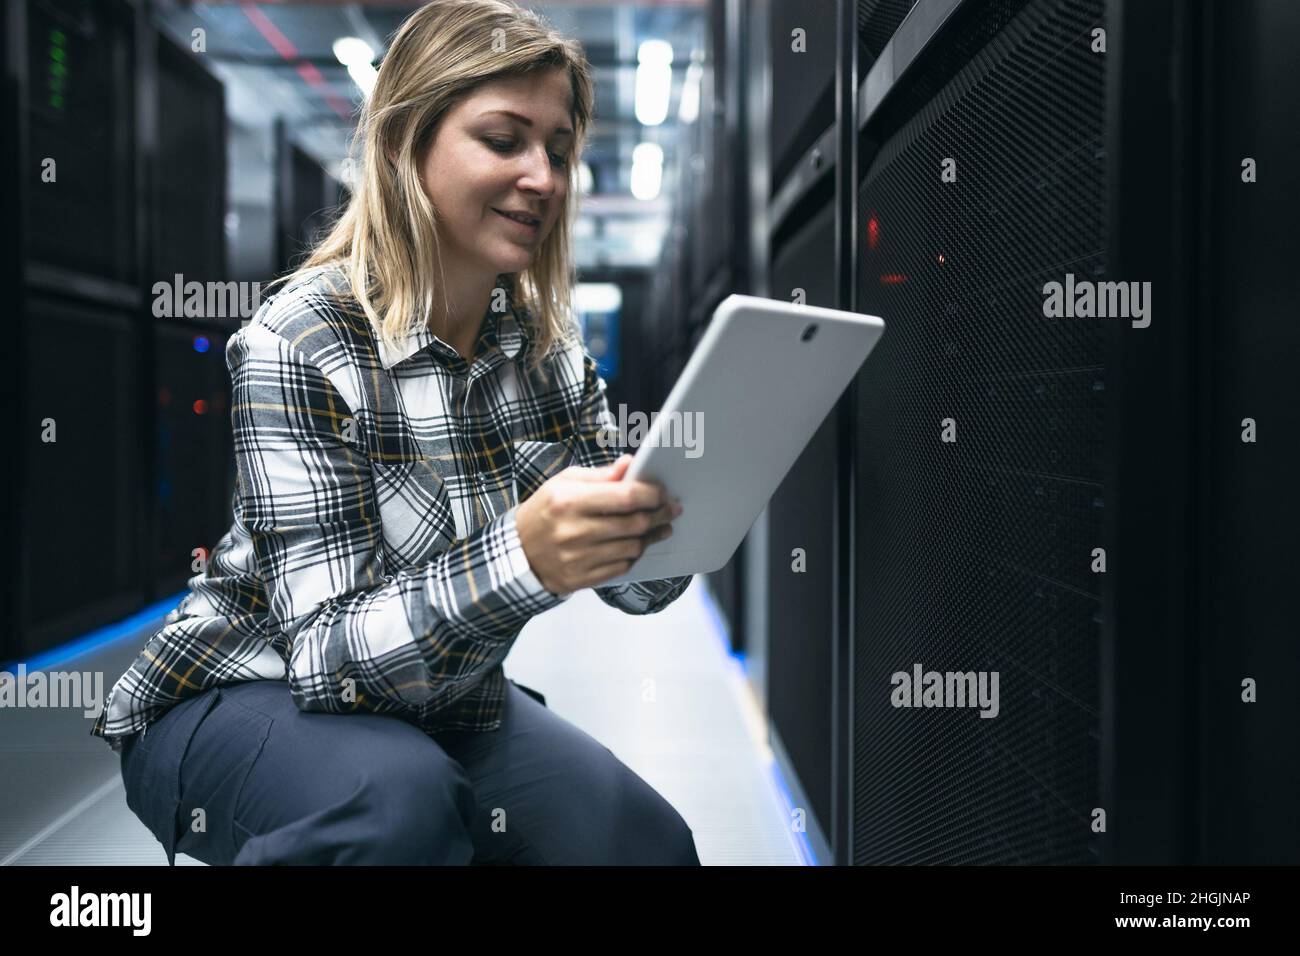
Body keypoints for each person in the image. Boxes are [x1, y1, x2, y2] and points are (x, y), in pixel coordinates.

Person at [92, 0, 699, 866]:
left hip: (443, 697)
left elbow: (640, 591)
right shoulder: (300, 336)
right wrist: (524, 558)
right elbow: (330, 663)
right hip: (241, 688)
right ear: (405, 146)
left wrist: (684, 505)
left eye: (558, 150)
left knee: (639, 844)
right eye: (504, 140)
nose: (544, 176)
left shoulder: (544, 345)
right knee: (399, 810)